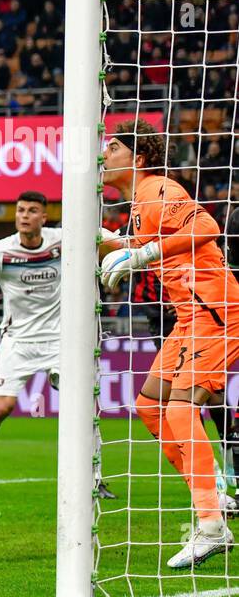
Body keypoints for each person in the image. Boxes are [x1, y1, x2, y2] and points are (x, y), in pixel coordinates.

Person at [101, 119, 239, 567]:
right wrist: (116, 244)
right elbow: (138, 243)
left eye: (115, 147)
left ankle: (211, 526)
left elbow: (208, 228)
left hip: (215, 309)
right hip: (188, 317)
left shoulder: (159, 188)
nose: (105, 155)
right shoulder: (139, 205)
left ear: (138, 159)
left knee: (180, 408)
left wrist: (143, 254)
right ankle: (214, 492)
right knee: (149, 406)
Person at [0, 191, 115, 499]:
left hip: (61, 340)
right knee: (2, 407)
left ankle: (95, 478)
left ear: (43, 217)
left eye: (32, 211)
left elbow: (104, 237)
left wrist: (129, 248)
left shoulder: (62, 241)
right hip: (17, 341)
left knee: (81, 402)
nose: (24, 215)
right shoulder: (1, 252)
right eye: (21, 210)